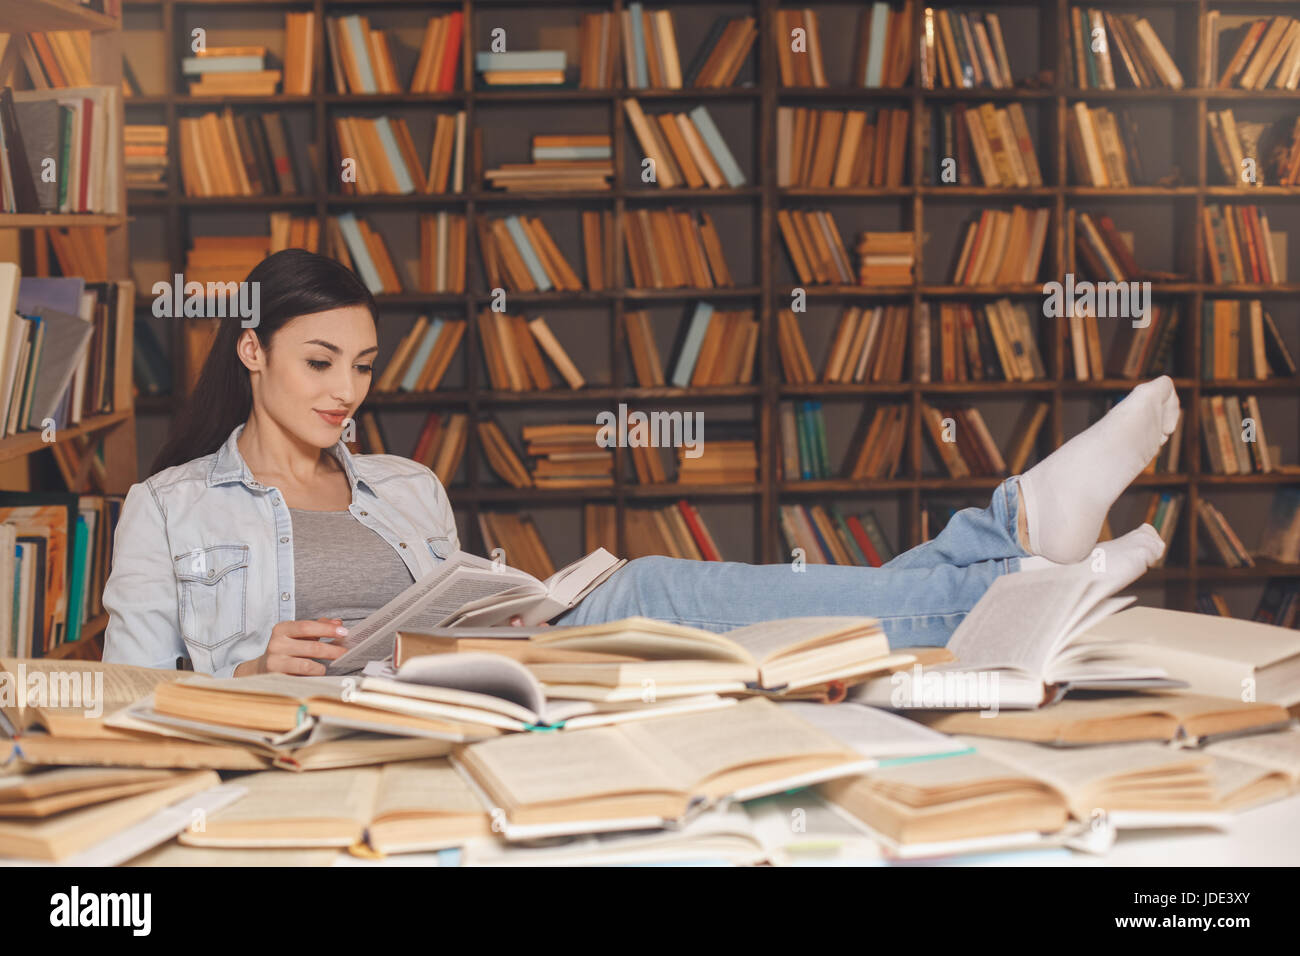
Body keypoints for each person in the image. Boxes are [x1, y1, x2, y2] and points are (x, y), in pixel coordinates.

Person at [102, 250, 1179, 677]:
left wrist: (517, 601)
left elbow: (460, 604)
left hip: (500, 667)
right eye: (318, 362)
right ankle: (1013, 543)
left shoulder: (403, 484)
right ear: (251, 352)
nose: (345, 391)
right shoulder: (168, 509)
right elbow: (127, 701)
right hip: (354, 714)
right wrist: (243, 676)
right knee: (703, 610)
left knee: (662, 583)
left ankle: (1019, 538)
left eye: (365, 366)